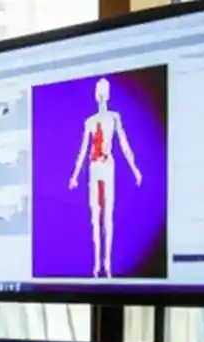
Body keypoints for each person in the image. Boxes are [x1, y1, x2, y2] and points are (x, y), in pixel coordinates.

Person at [68, 76, 143, 279]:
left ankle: (107, 265)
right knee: (95, 217)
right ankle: (96, 265)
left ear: (107, 94)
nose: (101, 95)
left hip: (108, 166)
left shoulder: (114, 118)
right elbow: (83, 151)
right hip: (95, 168)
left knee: (108, 216)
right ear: (96, 95)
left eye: (104, 91)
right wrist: (75, 175)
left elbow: (124, 144)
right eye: (99, 91)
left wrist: (134, 168)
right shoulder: (90, 122)